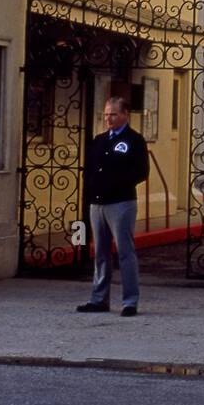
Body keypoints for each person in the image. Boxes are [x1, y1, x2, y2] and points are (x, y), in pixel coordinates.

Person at [76, 96, 150, 316]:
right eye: (106, 114)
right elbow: (89, 169)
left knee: (125, 252)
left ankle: (130, 301)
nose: (109, 118)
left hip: (121, 203)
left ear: (125, 114)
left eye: (114, 114)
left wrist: (115, 184)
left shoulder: (134, 141)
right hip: (97, 204)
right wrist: (92, 188)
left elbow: (140, 172)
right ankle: (99, 299)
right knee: (100, 252)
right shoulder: (99, 140)